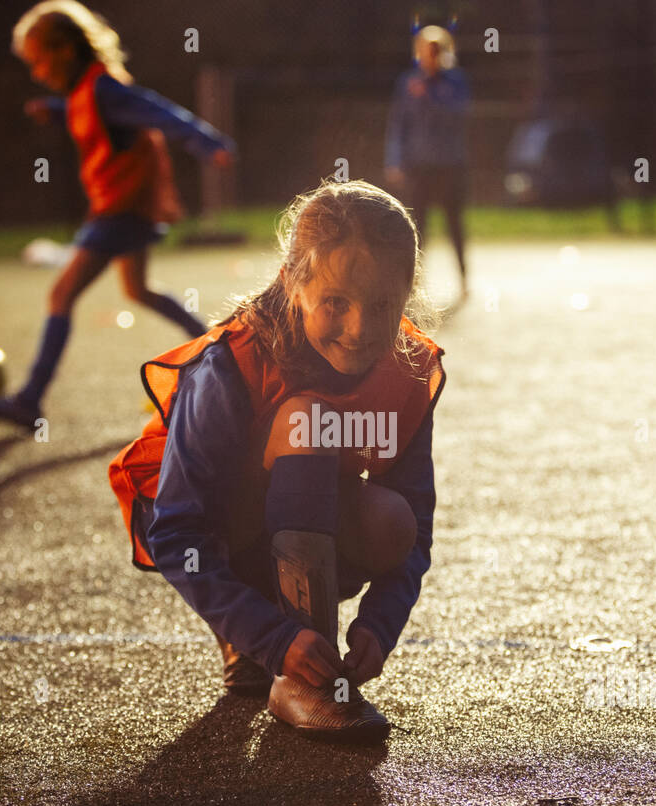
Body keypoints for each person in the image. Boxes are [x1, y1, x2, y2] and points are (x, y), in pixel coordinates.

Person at [109, 181, 445, 742]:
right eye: (335, 302)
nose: (360, 328)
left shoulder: (407, 368)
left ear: (407, 293)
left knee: (393, 521)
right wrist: (276, 640)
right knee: (308, 417)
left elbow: (417, 518)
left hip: (299, 517)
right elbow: (177, 530)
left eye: (383, 305)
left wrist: (381, 624)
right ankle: (297, 676)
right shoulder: (229, 364)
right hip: (209, 529)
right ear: (293, 283)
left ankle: (267, 636)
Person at [0, 0, 235, 429]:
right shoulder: (82, 94)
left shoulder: (104, 89)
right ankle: (221, 354)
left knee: (61, 295)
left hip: (122, 210)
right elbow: (93, 116)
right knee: (139, 290)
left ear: (65, 51)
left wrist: (206, 142)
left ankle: (29, 400)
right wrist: (54, 111)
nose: (37, 72)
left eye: (39, 61)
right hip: (123, 208)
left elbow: (156, 111)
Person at [385, 24, 471, 302]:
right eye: (425, 50)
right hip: (418, 165)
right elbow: (398, 125)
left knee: (454, 224)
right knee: (417, 226)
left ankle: (464, 278)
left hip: (449, 163)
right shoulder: (407, 83)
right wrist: (395, 161)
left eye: (435, 51)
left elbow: (459, 116)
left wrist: (431, 95)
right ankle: (415, 283)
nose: (429, 56)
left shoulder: (455, 82)